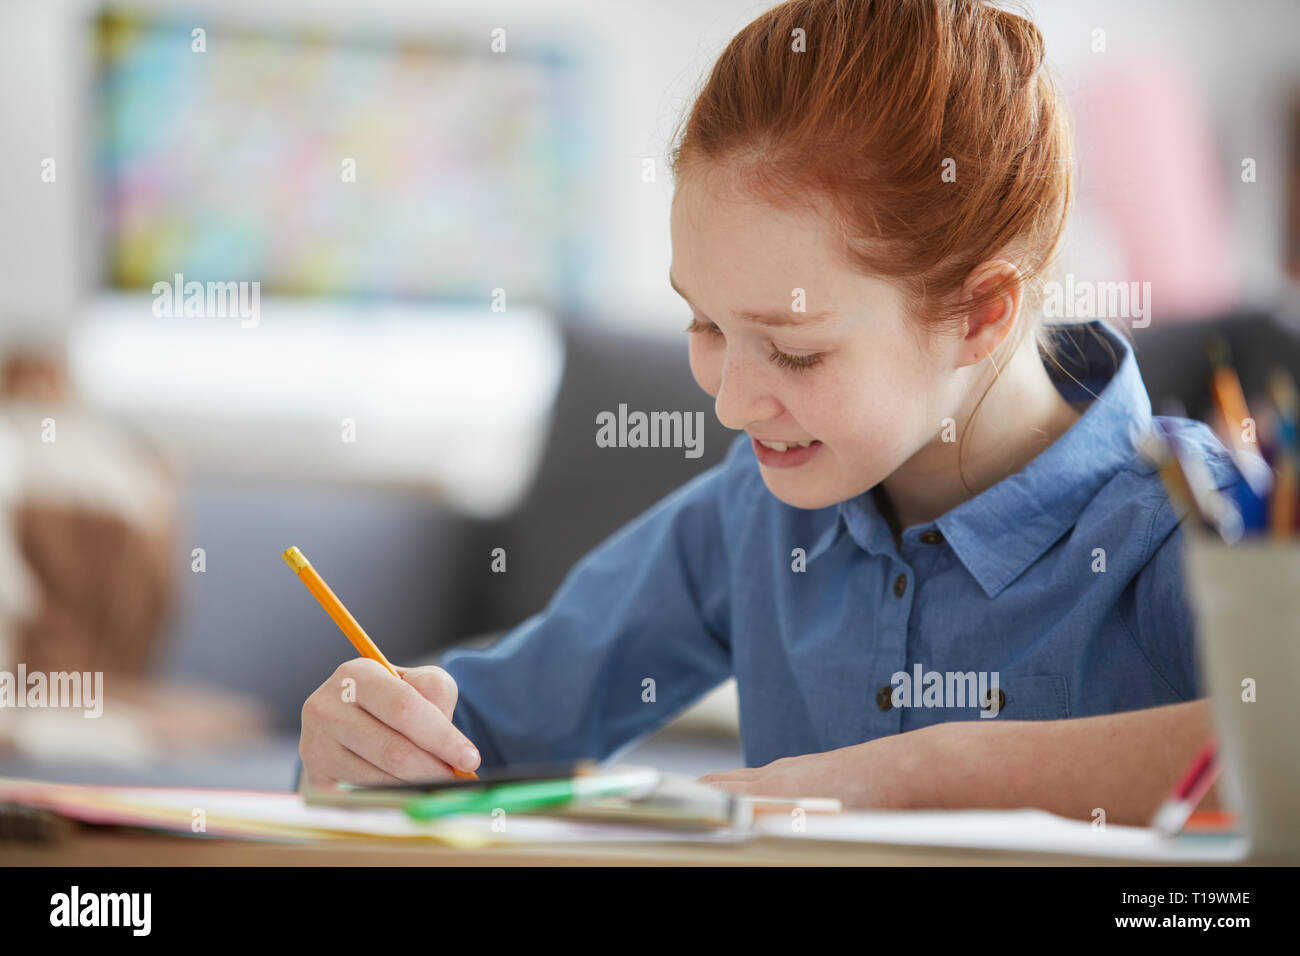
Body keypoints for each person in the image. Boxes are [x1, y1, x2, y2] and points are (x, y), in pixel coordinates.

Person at [298, 0, 1238, 825]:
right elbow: (485, 737)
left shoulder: (1184, 529)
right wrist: (369, 743)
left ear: (979, 312)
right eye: (704, 322)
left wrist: (926, 775)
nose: (732, 402)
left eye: (794, 350)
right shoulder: (752, 519)